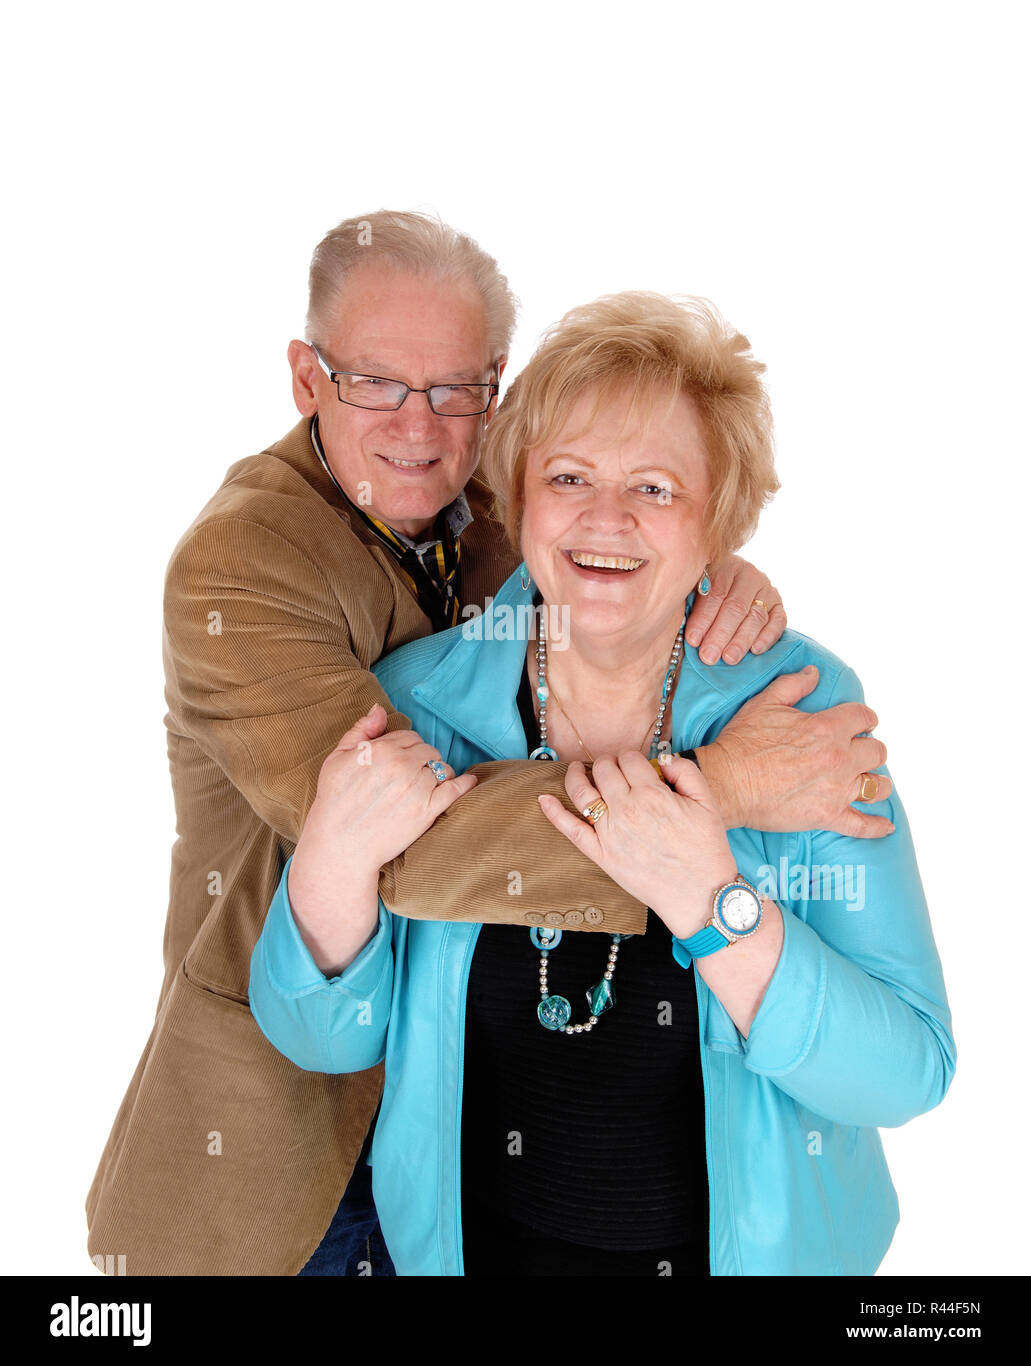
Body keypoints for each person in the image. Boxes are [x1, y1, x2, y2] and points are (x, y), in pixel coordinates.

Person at [85, 211, 895, 1277]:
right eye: (375, 381)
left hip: (465, 1142)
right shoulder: (239, 566)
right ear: (304, 377)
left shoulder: (494, 505)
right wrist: (719, 791)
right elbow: (405, 846)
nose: (417, 425)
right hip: (290, 1143)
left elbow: (620, 538)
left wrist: (716, 574)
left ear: (496, 392)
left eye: (456, 388)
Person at [250, 290, 954, 1276]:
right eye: (569, 476)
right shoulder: (423, 700)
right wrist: (329, 854)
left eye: (657, 489)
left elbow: (907, 1072)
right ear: (520, 495)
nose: (606, 519)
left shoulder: (799, 702)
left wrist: (713, 906)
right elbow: (323, 1037)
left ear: (720, 520)